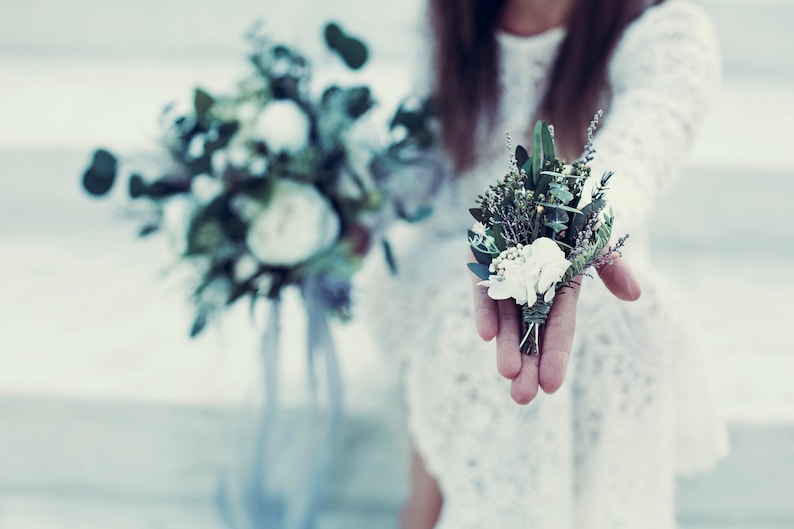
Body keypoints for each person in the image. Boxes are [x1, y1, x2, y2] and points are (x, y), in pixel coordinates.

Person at [365, 0, 729, 527]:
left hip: (592, 266)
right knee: (475, 320)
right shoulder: (452, 17)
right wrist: (346, 207)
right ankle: (438, 506)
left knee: (629, 318)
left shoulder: (665, 30)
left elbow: (635, 152)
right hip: (453, 255)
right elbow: (425, 158)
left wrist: (567, 222)